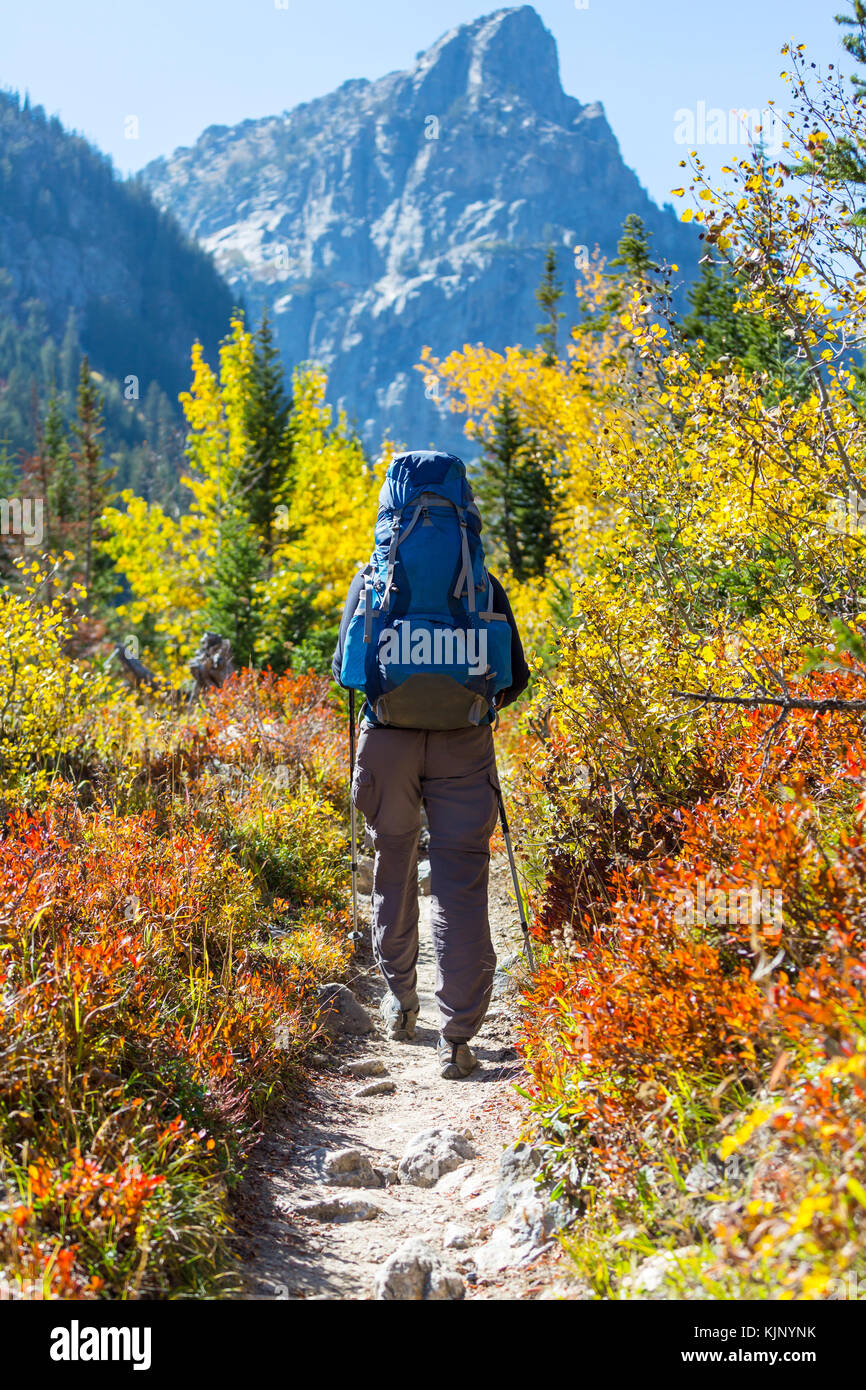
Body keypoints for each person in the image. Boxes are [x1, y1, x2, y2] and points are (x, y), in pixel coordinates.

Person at [332, 499, 529, 1081]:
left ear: (390, 512)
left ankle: (402, 1000)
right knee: (461, 878)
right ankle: (460, 1035)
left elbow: (347, 669)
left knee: (392, 860)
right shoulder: (482, 583)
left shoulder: (373, 579)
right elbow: (513, 676)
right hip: (463, 742)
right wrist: (470, 707)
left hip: (387, 740)